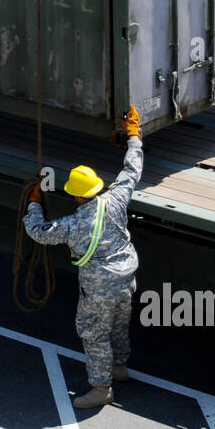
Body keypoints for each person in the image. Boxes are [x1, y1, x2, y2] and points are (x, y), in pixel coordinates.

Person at [22, 105, 143, 409]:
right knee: (119, 324)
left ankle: (101, 388)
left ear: (76, 196)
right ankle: (120, 367)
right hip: (126, 278)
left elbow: (37, 232)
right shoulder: (115, 199)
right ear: (97, 186)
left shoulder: (72, 225)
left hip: (99, 288)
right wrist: (133, 135)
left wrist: (34, 202)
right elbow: (132, 171)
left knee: (94, 332)